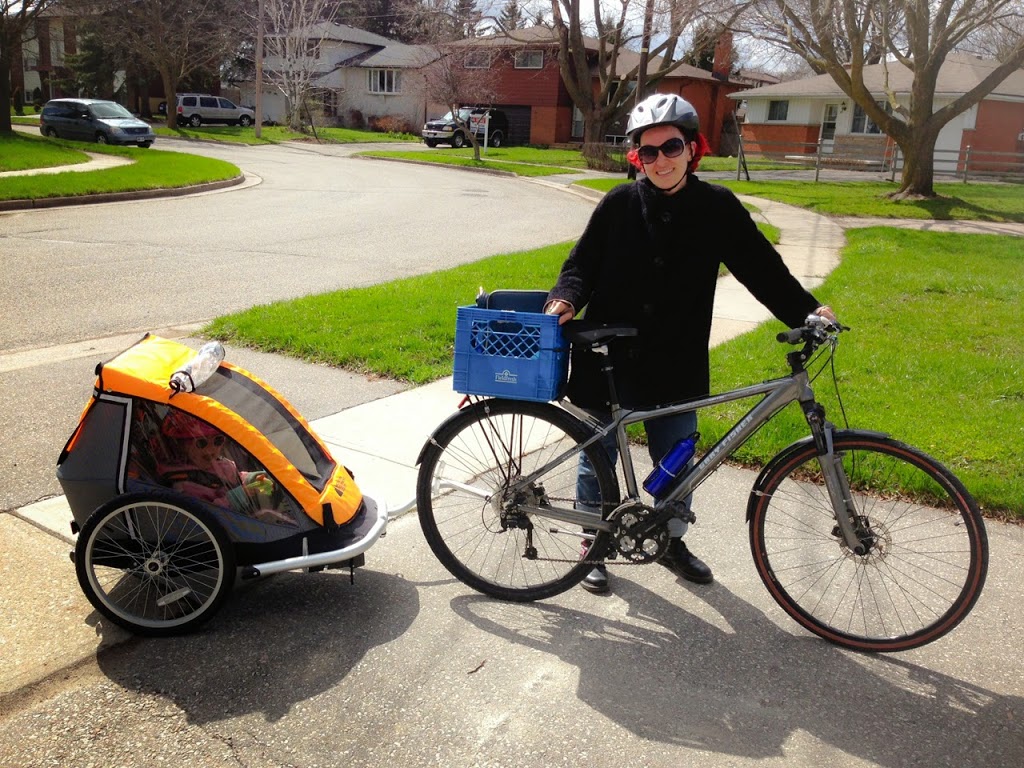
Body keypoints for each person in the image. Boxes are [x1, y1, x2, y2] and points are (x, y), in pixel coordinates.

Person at [545, 93, 836, 594]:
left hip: (675, 359)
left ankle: (670, 540)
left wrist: (804, 311)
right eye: (648, 151)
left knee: (677, 457)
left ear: (692, 149)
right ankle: (593, 544)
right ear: (637, 156)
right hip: (606, 357)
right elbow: (581, 265)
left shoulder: (717, 207)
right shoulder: (618, 204)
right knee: (598, 457)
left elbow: (761, 269)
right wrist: (565, 298)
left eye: (671, 147)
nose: (660, 160)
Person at [159, 409, 296, 526]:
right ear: (182, 446)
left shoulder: (219, 464)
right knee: (268, 513)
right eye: (201, 443)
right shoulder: (184, 484)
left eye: (218, 441)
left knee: (263, 479)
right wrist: (240, 495)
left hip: (242, 509)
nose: (211, 450)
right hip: (228, 523)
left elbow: (234, 477)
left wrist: (249, 479)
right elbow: (207, 514)